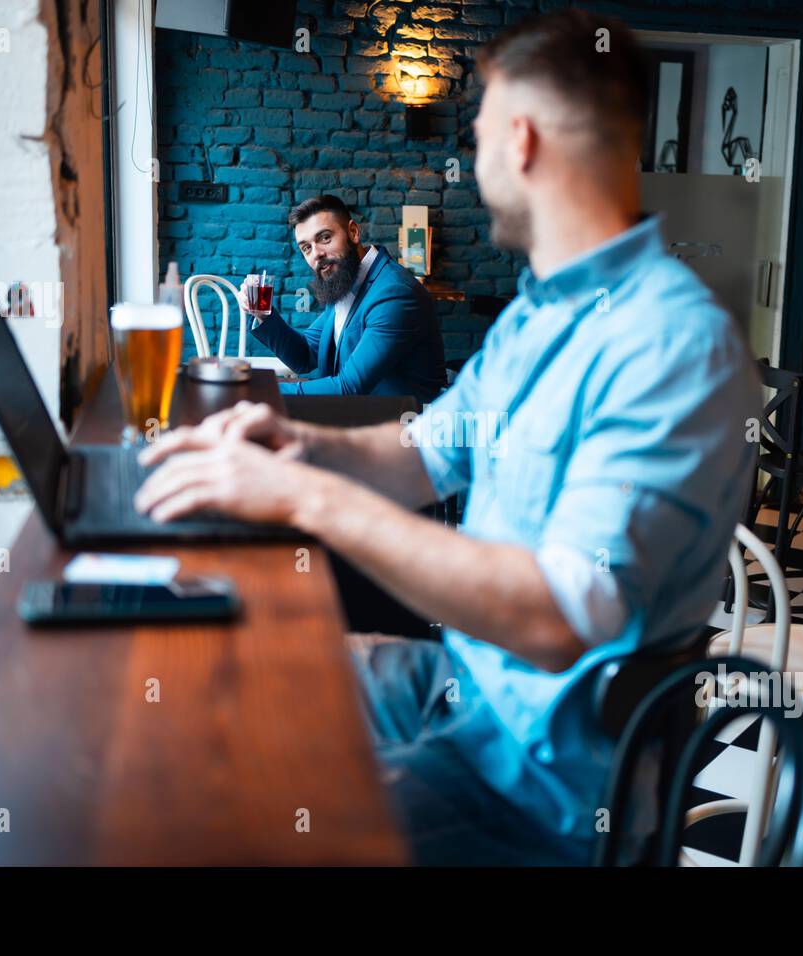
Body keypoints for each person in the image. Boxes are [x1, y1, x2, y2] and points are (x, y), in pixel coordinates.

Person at [135, 9, 759, 865]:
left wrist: (303, 495)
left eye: (478, 134)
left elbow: (559, 616)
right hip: (468, 694)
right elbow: (427, 449)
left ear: (524, 139)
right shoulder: (542, 314)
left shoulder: (670, 343)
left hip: (549, 787)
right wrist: (291, 441)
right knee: (219, 685)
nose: (473, 158)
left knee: (248, 825)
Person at [240, 194, 446, 402]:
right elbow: (304, 355)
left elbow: (349, 387)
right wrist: (264, 316)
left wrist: (259, 392)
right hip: (362, 414)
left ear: (353, 232)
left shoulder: (393, 293)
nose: (316, 254)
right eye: (306, 248)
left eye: (325, 238)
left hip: (401, 424)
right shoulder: (347, 282)